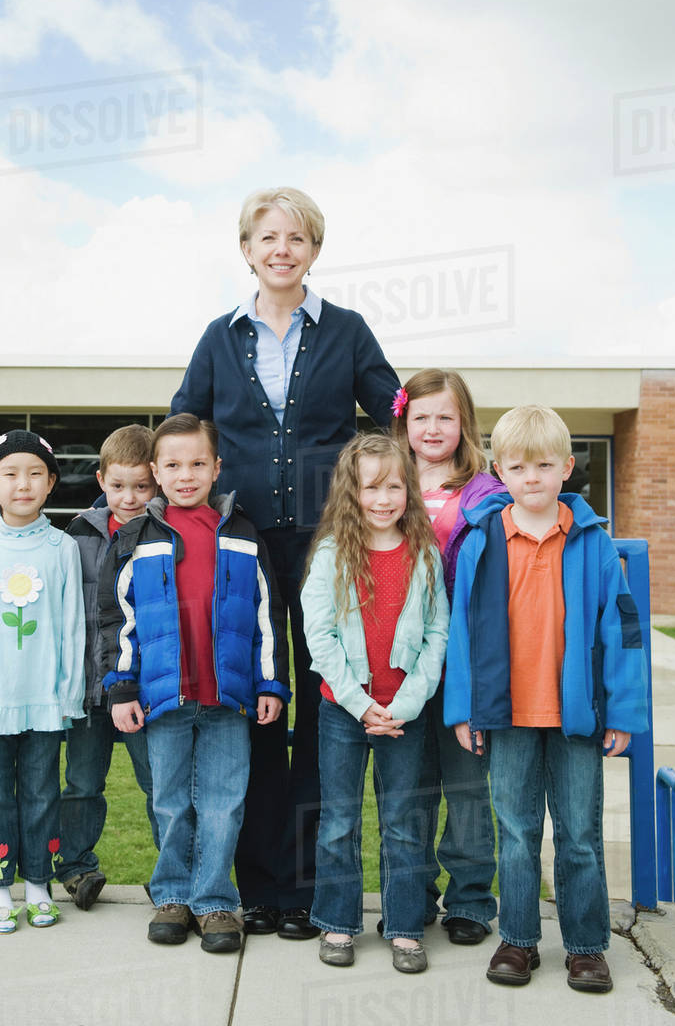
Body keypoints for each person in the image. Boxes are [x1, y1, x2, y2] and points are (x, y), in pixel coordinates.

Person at [170, 186, 400, 939]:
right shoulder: (218, 337)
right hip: (240, 550)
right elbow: (183, 428)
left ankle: (305, 893)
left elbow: (398, 413)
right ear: (246, 249)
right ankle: (256, 886)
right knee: (257, 711)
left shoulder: (347, 331)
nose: (281, 250)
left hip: (329, 547)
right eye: (267, 237)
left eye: (296, 239)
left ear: (313, 251)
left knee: (325, 706)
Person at [444, 405, 649, 992]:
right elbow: (462, 630)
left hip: (578, 718)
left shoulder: (593, 543)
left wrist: (626, 714)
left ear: (566, 468)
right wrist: (464, 708)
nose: (531, 477)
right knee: (515, 832)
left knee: (579, 833)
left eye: (543, 465)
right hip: (507, 715)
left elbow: (624, 632)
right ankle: (518, 940)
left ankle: (586, 946)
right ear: (498, 471)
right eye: (517, 466)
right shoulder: (483, 540)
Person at [100, 414, 290, 954]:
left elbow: (267, 616)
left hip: (229, 699)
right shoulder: (138, 537)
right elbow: (119, 620)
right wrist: (122, 687)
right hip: (163, 699)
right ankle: (172, 897)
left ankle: (214, 902)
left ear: (216, 468)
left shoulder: (242, 533)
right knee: (169, 801)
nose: (187, 474)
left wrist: (271, 685)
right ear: (156, 472)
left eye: (198, 463)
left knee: (224, 802)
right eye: (174, 464)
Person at [301, 434, 449, 972]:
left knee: (404, 821)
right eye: (371, 487)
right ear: (351, 491)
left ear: (408, 489)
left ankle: (406, 927)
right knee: (339, 818)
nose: (384, 498)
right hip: (343, 710)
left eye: (394, 485)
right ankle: (338, 922)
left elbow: (437, 634)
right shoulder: (332, 553)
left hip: (405, 712)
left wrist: (405, 705)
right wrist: (361, 704)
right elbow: (319, 636)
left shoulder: (424, 554)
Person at [0, 430, 85, 934]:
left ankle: (38, 887)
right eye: (9, 474)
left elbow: (72, 626)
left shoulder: (62, 546)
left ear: (50, 483)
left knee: (43, 792)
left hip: (45, 698)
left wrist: (68, 693)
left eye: (34, 474)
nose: (22, 484)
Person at [392, 368, 502, 944]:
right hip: (402, 660)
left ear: (464, 424)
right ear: (403, 421)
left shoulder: (486, 491)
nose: (433, 428)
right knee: (408, 786)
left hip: (463, 656)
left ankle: (471, 899)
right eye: (421, 417)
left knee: (465, 784)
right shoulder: (385, 481)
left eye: (446, 417)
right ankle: (411, 894)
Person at [59, 424, 160, 909]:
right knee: (82, 783)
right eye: (119, 485)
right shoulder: (76, 537)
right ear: (101, 480)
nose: (130, 496)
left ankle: (172, 875)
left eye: (142, 486)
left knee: (159, 784)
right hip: (89, 689)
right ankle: (76, 869)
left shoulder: (167, 534)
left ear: (157, 481)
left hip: (147, 691)